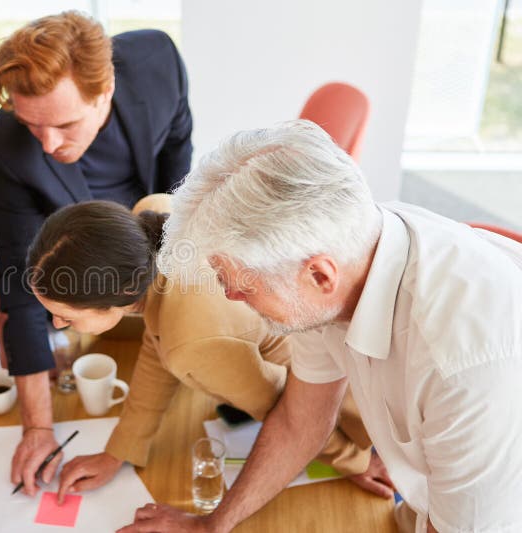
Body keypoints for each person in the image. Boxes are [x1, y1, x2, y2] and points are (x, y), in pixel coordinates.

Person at [125, 120, 522, 532]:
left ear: (318, 276)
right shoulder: (339, 262)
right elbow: (300, 420)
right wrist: (211, 526)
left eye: (243, 283)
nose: (231, 298)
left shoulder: (465, 365)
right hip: (431, 500)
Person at [23, 199, 394, 503]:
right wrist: (119, 450)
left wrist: (357, 461)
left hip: (354, 403)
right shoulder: (149, 224)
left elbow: (289, 410)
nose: (56, 325)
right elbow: (157, 345)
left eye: (64, 316)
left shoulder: (191, 340)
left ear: (117, 298)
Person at [0, 10, 193, 495]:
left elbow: (181, 169)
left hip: (161, 270)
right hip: (87, 293)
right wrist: (36, 428)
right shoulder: (5, 147)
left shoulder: (159, 64)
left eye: (64, 124)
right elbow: (18, 280)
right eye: (33, 126)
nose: (48, 144)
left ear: (106, 91)